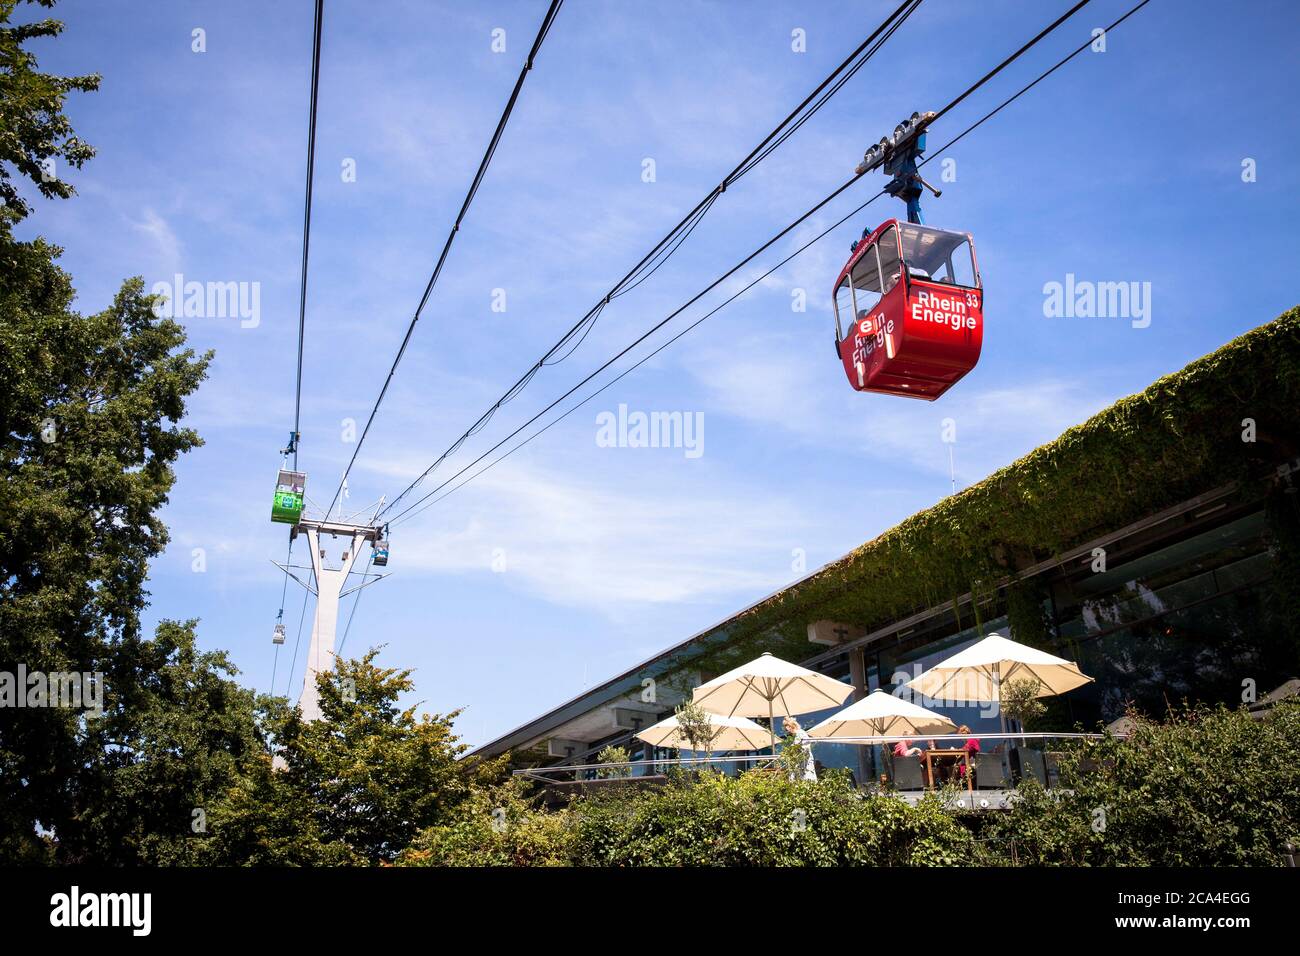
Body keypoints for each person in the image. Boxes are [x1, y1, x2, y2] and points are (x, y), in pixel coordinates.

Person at [781, 716, 817, 782]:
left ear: (790, 726)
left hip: (804, 761)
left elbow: (804, 747)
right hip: (801, 761)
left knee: (806, 777)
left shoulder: (800, 733)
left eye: (786, 729)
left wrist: (792, 750)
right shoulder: (798, 734)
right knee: (803, 777)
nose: (787, 731)